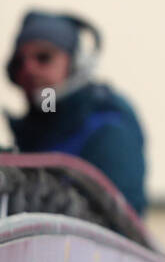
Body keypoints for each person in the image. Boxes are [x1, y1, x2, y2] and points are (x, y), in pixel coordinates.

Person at [5, 11, 147, 216]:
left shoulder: (108, 128)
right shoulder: (35, 131)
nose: (29, 69)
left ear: (76, 63)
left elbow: (119, 224)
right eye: (20, 62)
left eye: (43, 57)